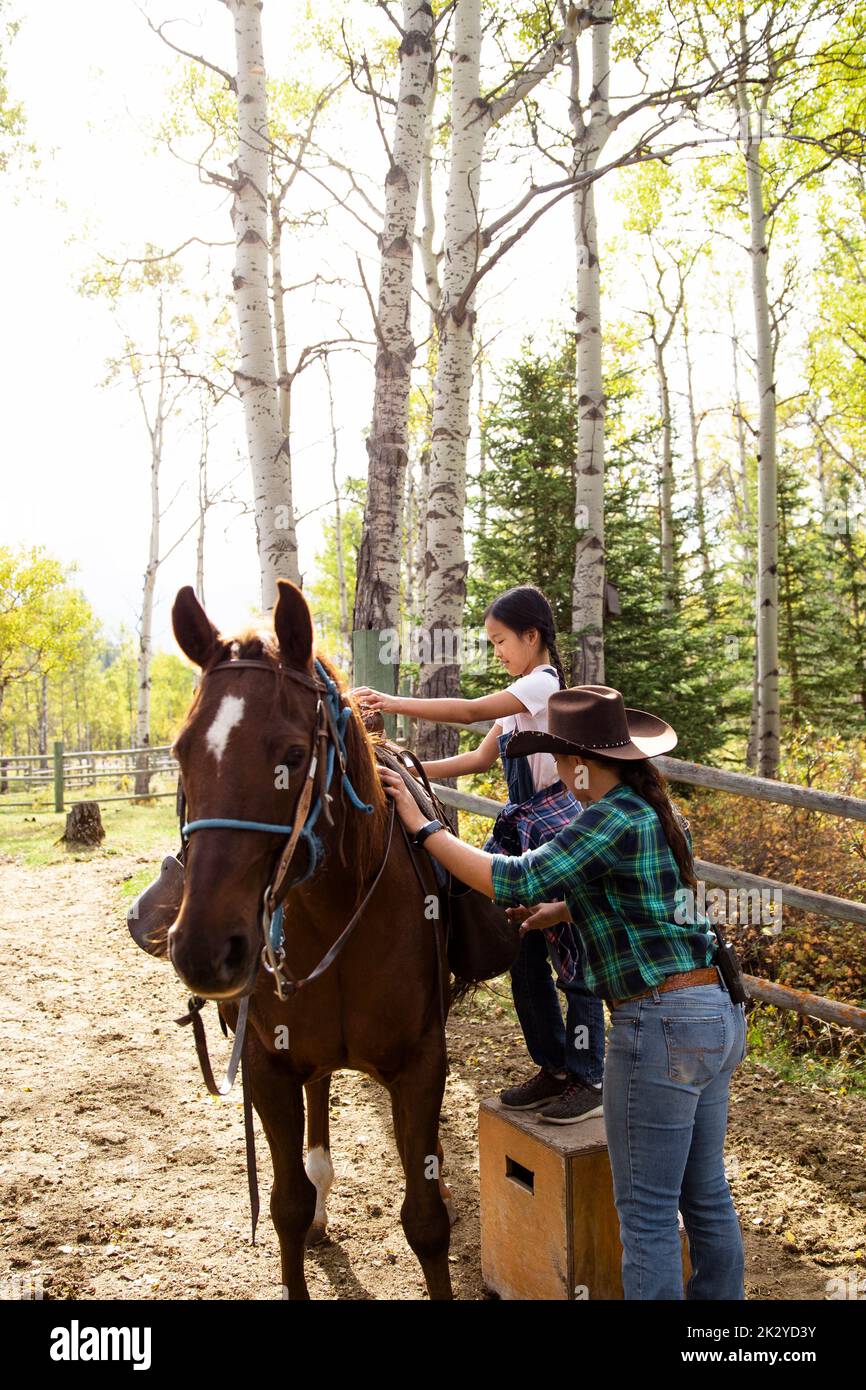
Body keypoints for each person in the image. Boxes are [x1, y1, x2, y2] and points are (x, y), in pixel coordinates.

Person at [376, 684, 747, 1301]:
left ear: (578, 764)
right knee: (705, 1194)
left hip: (658, 1025)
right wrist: (565, 912)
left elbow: (515, 877)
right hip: (713, 1011)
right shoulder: (651, 810)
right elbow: (646, 903)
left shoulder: (606, 815)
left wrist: (422, 829)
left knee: (648, 1214)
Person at [352, 584, 605, 1123]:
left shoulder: (542, 686)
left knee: (571, 953)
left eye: (500, 641)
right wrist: (409, 770)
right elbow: (479, 758)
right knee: (523, 946)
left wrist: (391, 702)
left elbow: (467, 711)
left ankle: (589, 1075)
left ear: (531, 637)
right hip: (523, 830)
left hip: (555, 828)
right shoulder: (519, 700)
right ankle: (553, 1065)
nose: (497, 652)